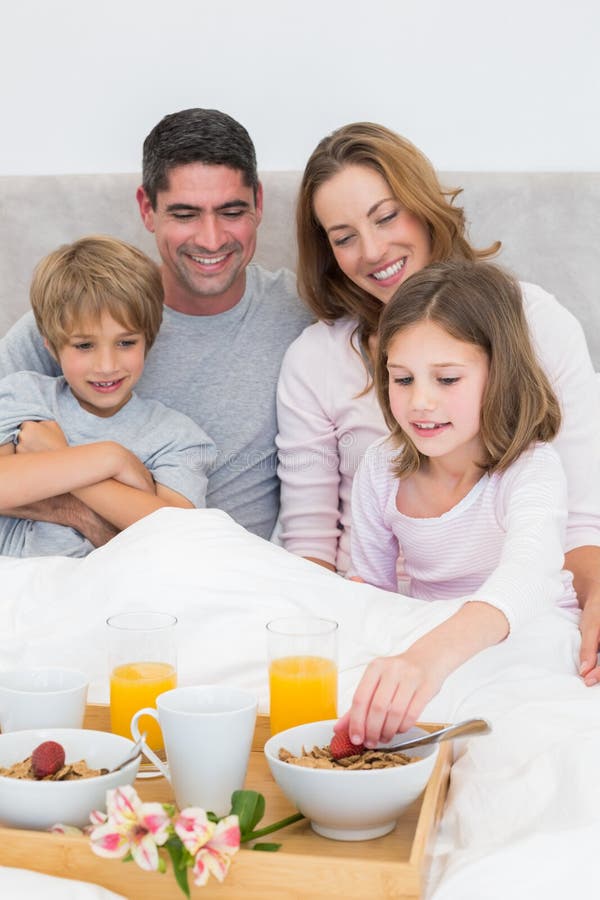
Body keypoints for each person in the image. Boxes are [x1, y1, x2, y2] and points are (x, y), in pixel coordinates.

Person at [276, 121, 600, 684]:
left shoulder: (535, 326)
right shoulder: (315, 363)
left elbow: (573, 528)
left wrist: (593, 603)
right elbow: (314, 550)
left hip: (512, 619)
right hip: (388, 621)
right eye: (343, 235)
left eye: (385, 216)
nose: (373, 250)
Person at [0, 108, 313, 543]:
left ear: (259, 203)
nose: (210, 239)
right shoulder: (76, 314)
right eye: (185, 214)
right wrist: (93, 510)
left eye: (231, 211)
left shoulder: (303, 313)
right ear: (147, 209)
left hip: (233, 578)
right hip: (70, 584)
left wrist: (85, 492)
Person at [336, 260, 579, 746]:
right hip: (429, 640)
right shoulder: (381, 469)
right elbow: (374, 600)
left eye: (447, 379)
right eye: (402, 379)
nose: (420, 402)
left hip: (527, 638)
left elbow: (530, 574)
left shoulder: (531, 469)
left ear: (500, 373)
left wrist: (429, 658)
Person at [0, 235, 215, 557]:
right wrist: (111, 460)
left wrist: (62, 457)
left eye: (126, 343)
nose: (106, 366)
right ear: (51, 346)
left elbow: (176, 535)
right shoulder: (26, 396)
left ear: (149, 340)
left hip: (120, 593)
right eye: (84, 346)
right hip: (21, 586)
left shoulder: (175, 436)